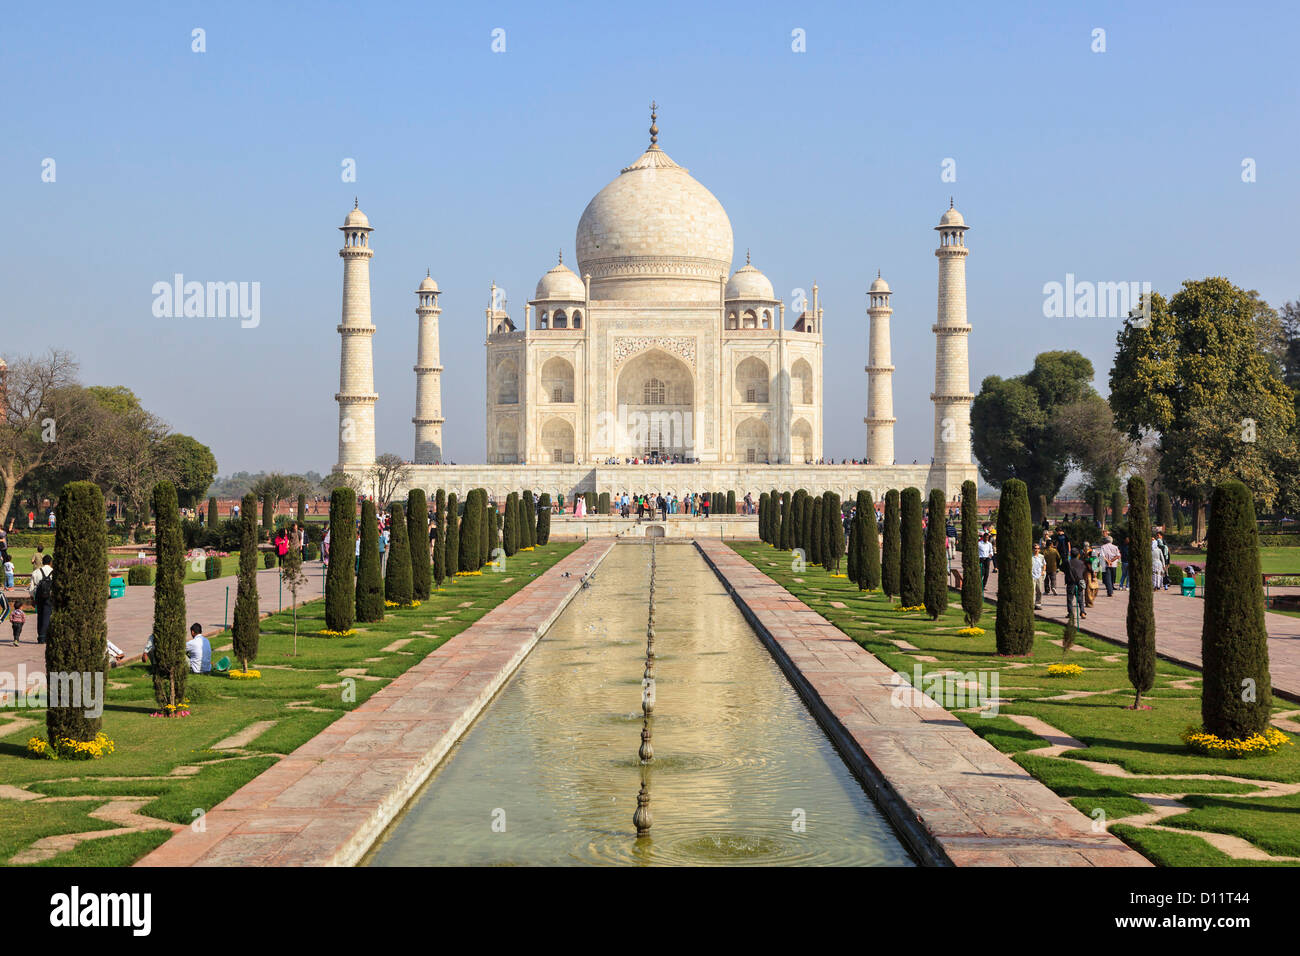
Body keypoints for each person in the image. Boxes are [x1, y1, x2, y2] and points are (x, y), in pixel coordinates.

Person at [31, 555, 53, 644]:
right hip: (49, 596)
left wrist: (32, 598)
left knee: (40, 616)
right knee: (47, 615)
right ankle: (44, 636)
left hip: (39, 595)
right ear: (51, 562)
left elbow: (32, 587)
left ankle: (40, 635)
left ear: (42, 562)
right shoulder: (53, 572)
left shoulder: (36, 572)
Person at [1066, 548, 1088, 622]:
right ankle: (1082, 612)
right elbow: (1084, 570)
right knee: (1080, 598)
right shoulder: (1081, 563)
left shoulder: (1068, 562)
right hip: (1079, 581)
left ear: (1070, 554)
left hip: (1070, 582)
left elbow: (1062, 568)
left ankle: (1071, 613)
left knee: (1070, 598)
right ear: (1078, 555)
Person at [1031, 542, 1046, 610]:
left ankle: (1038, 603)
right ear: (1032, 549)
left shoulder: (1041, 556)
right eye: (1035, 548)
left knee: (1039, 590)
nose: (1036, 550)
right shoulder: (1030, 557)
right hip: (1032, 575)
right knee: (1032, 591)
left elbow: (1044, 564)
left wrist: (1043, 571)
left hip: (1039, 575)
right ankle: (1032, 604)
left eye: (1038, 548)